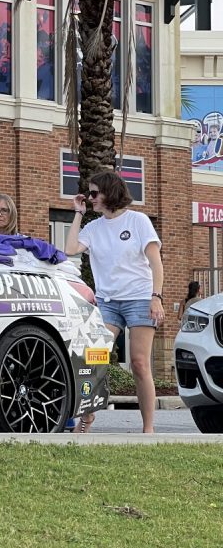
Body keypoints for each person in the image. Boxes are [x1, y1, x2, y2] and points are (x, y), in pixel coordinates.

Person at [65, 170, 164, 434]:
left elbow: (156, 262)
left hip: (140, 298)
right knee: (94, 359)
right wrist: (78, 212)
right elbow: (70, 250)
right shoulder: (93, 228)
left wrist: (156, 297)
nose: (91, 198)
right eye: (89, 193)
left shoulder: (138, 221)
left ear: (110, 193)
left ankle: (148, 428)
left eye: (95, 193)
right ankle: (87, 417)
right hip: (107, 302)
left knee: (139, 363)